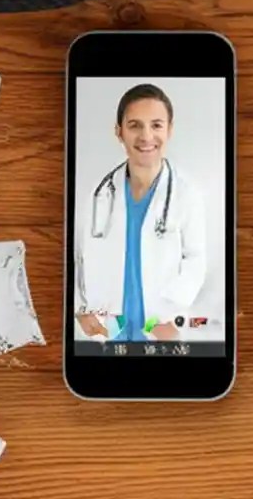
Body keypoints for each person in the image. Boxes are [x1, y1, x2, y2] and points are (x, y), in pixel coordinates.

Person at [75, 84, 207, 342]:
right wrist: (80, 309)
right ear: (119, 132)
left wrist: (172, 317)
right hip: (108, 330)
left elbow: (196, 260)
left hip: (158, 329)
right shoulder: (97, 194)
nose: (146, 136)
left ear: (169, 130)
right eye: (135, 125)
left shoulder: (186, 194)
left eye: (156, 125)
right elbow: (77, 256)